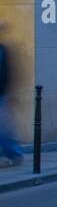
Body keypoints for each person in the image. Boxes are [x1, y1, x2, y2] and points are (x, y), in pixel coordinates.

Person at [0, 21, 21, 166]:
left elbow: (8, 73)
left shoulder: (3, 50)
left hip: (1, 94)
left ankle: (15, 154)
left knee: (4, 128)